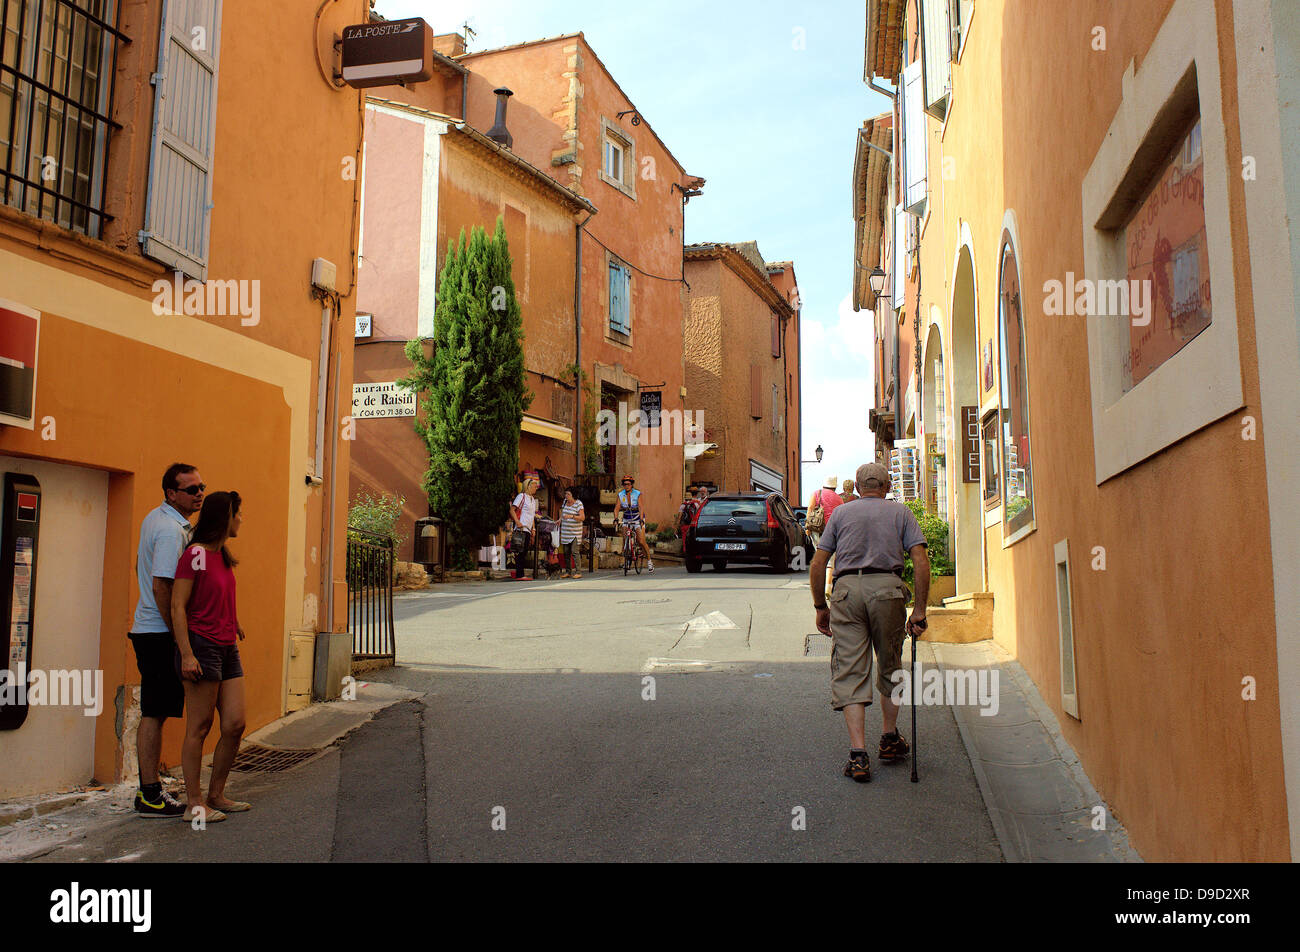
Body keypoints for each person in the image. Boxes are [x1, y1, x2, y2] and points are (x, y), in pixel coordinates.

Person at [810, 462, 929, 784]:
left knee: (850, 669)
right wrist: (919, 609)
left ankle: (858, 755)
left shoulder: (842, 515)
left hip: (848, 592)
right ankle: (889, 738)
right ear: (887, 486)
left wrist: (821, 606)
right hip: (888, 590)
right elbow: (920, 559)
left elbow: (819, 562)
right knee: (890, 664)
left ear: (858, 487)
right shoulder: (901, 514)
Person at [128, 463, 204, 818]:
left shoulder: (155, 519)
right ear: (171, 494)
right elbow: (162, 586)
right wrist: (178, 637)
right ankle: (149, 794)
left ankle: (150, 790)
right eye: (191, 489)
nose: (199, 493)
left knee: (156, 710)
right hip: (158, 632)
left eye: (201, 487)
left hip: (152, 630)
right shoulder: (172, 531)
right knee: (155, 712)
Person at [171, 491, 249, 823]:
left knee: (234, 723)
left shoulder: (221, 556)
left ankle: (216, 794)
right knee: (200, 727)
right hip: (201, 647)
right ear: (225, 517)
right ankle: (194, 804)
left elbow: (214, 595)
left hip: (227, 646)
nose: (241, 519)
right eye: (238, 513)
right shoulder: (196, 554)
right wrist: (187, 654)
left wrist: (233, 620)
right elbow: (178, 606)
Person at [613, 475, 653, 572]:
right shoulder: (621, 494)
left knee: (641, 541)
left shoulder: (637, 493)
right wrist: (616, 518)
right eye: (625, 484)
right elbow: (617, 508)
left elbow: (640, 506)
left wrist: (641, 518)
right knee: (625, 540)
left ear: (631, 485)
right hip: (627, 518)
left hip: (637, 517)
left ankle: (649, 561)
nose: (626, 486)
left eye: (628, 484)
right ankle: (626, 560)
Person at [510, 476, 539, 580]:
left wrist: (533, 529)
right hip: (521, 528)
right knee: (520, 551)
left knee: (524, 551)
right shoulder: (521, 496)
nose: (536, 488)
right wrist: (517, 522)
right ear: (529, 486)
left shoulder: (533, 500)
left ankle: (521, 574)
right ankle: (519, 575)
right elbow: (512, 510)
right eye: (534, 486)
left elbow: (532, 515)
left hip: (528, 528)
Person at [559, 488, 584, 579]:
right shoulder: (565, 502)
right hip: (566, 532)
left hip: (575, 533)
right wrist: (560, 520)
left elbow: (582, 517)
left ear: (573, 495)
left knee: (574, 551)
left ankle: (578, 571)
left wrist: (572, 516)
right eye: (565, 494)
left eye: (568, 494)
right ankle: (568, 571)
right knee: (566, 552)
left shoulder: (578, 504)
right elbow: (563, 513)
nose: (566, 496)